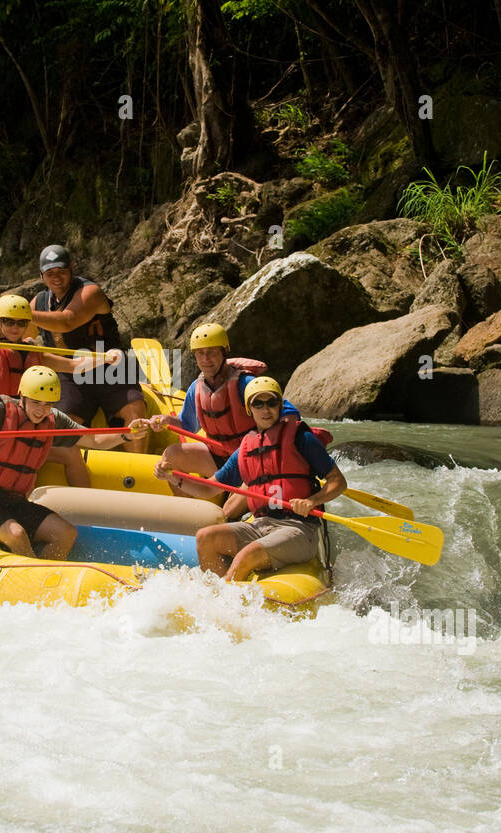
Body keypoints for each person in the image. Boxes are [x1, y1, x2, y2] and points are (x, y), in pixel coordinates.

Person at [155, 376, 347, 582]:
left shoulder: (302, 438)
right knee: (205, 538)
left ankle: (224, 598)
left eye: (271, 403)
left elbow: (338, 481)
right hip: (260, 525)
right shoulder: (246, 448)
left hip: (299, 528)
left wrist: (312, 501)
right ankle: (218, 593)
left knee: (247, 554)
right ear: (249, 409)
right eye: (258, 403)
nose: (266, 409)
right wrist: (174, 478)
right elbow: (209, 488)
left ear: (281, 406)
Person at [0, 366, 146, 559]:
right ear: (22, 396)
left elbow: (94, 440)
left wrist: (128, 434)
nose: (41, 411)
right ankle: (32, 578)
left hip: (14, 500)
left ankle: (46, 577)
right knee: (16, 534)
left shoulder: (54, 420)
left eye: (48, 404)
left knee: (65, 534)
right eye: (36, 402)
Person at [0, 293, 120, 487]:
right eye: (9, 322)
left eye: (21, 323)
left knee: (72, 453)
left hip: (25, 424)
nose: (15, 328)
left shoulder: (33, 352)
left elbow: (73, 365)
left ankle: (83, 510)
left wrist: (105, 358)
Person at [136, 323, 298, 493]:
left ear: (224, 351)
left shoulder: (245, 383)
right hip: (217, 458)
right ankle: (187, 508)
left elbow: (289, 412)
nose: (206, 359)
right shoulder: (196, 389)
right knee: (172, 455)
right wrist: (166, 420)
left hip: (252, 458)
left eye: (212, 352)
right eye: (200, 353)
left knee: (233, 506)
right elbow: (186, 425)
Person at [30, 244, 148, 452]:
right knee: (63, 422)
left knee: (135, 411)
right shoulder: (38, 303)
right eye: (50, 273)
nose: (56, 278)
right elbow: (12, 332)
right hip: (71, 373)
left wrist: (22, 314)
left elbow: (67, 321)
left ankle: (139, 469)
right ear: (42, 276)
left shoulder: (90, 291)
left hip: (111, 367)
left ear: (71, 270)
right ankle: (74, 467)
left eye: (61, 271)